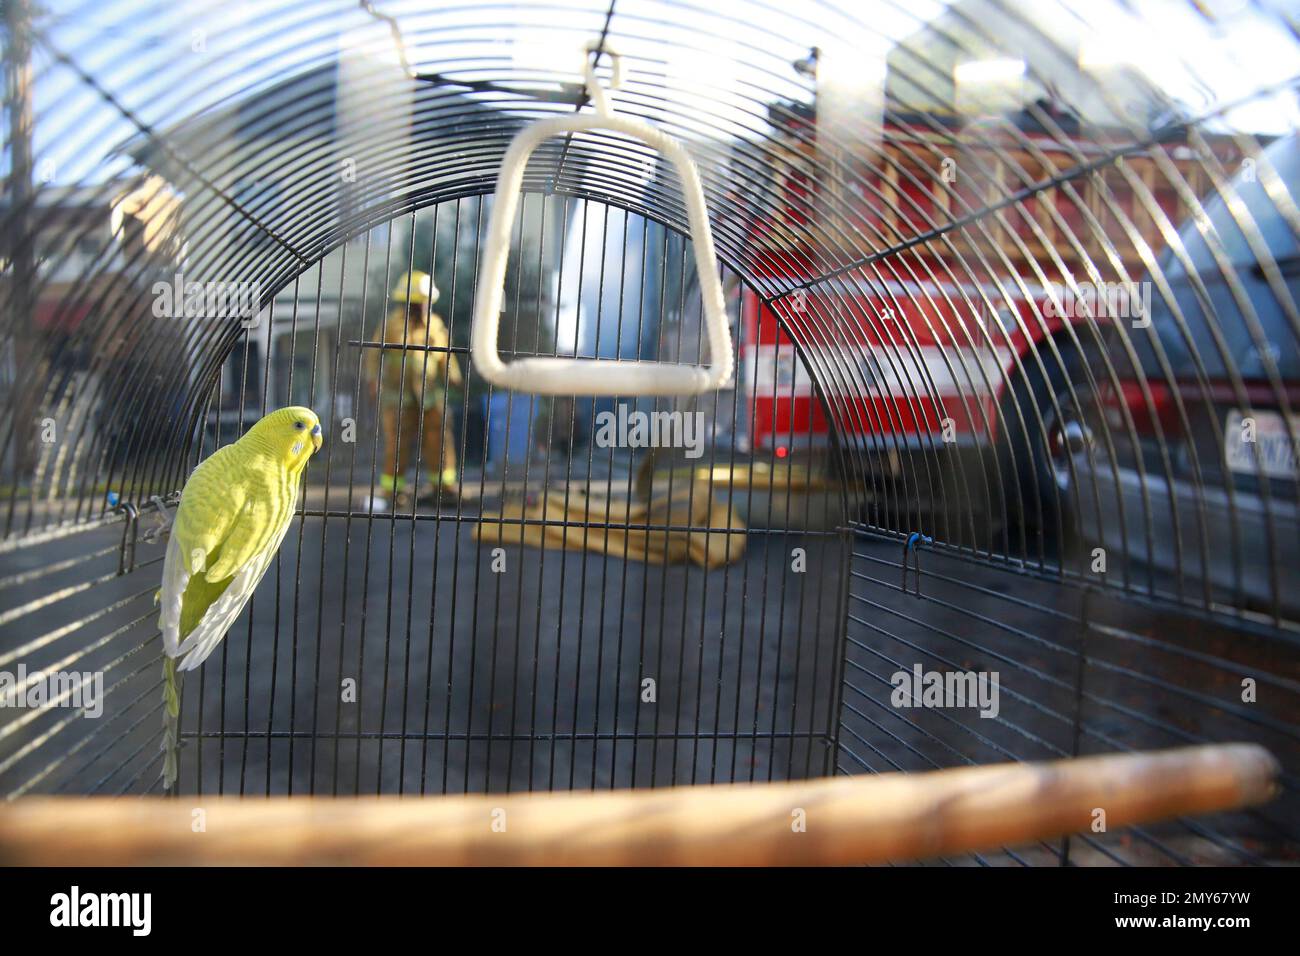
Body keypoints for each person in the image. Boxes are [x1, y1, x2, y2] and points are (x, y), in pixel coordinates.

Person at [365, 270, 462, 505]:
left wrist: (455, 378)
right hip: (396, 396)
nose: (424, 307)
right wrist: (373, 380)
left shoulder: (436, 326)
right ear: (409, 303)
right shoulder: (390, 325)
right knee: (397, 442)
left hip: (429, 395)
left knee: (438, 439)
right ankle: (393, 491)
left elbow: (445, 358)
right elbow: (373, 355)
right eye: (419, 302)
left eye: (426, 302)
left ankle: (443, 488)